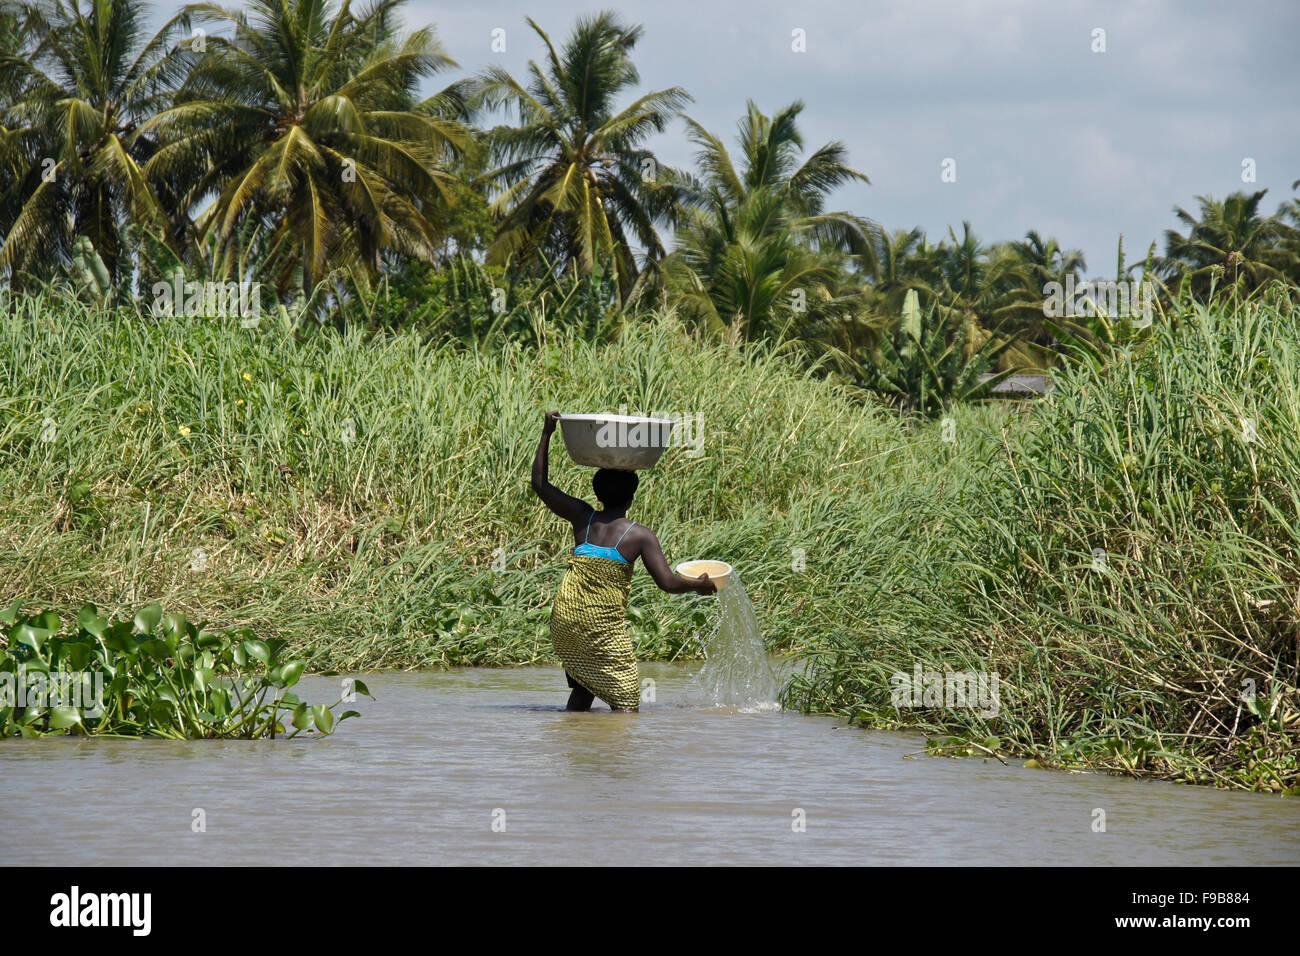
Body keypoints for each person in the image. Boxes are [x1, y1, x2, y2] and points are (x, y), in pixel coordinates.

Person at [531, 410, 715, 712]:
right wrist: (699, 585)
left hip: (566, 619)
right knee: (627, 701)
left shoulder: (582, 516)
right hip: (600, 626)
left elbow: (539, 484)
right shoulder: (639, 535)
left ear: (596, 490)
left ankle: (575, 739)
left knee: (584, 684)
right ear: (632, 497)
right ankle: (615, 756)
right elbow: (667, 583)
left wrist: (547, 432)